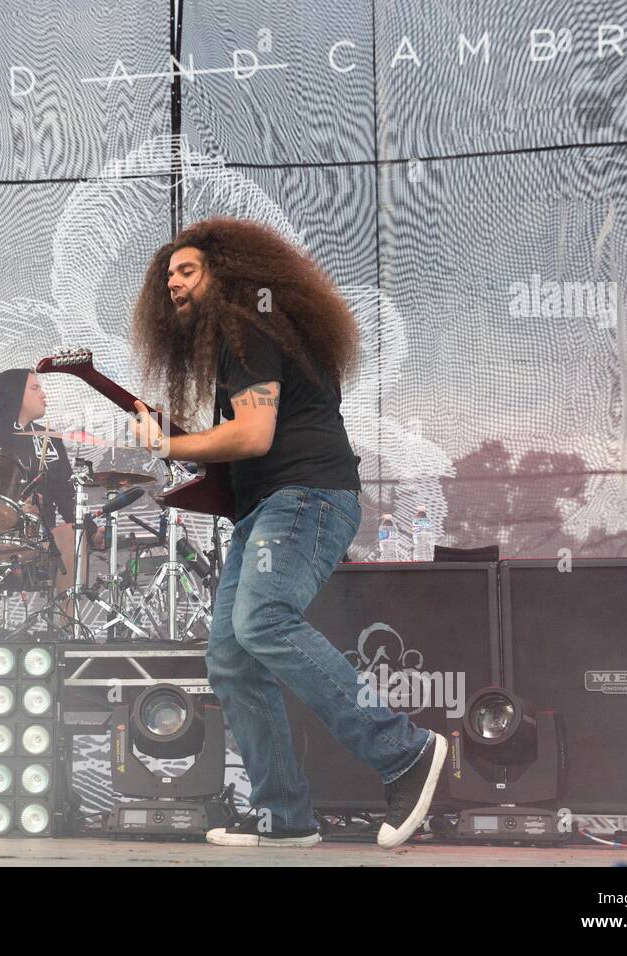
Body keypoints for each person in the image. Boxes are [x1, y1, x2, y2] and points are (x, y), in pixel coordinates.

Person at [128, 216, 446, 849]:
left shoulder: (248, 325)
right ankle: (282, 813)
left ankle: (404, 751)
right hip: (272, 504)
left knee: (264, 621)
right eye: (168, 276)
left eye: (188, 270)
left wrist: (169, 440)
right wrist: (185, 443)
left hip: (304, 500)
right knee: (229, 655)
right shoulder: (250, 336)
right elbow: (244, 439)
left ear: (229, 274)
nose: (174, 284)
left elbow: (254, 434)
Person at [0, 369, 103, 614]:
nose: (43, 394)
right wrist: (13, 508)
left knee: (72, 535)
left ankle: (66, 628)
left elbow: (66, 497)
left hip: (38, 543)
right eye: (35, 388)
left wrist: (91, 531)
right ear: (15, 394)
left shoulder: (49, 440)